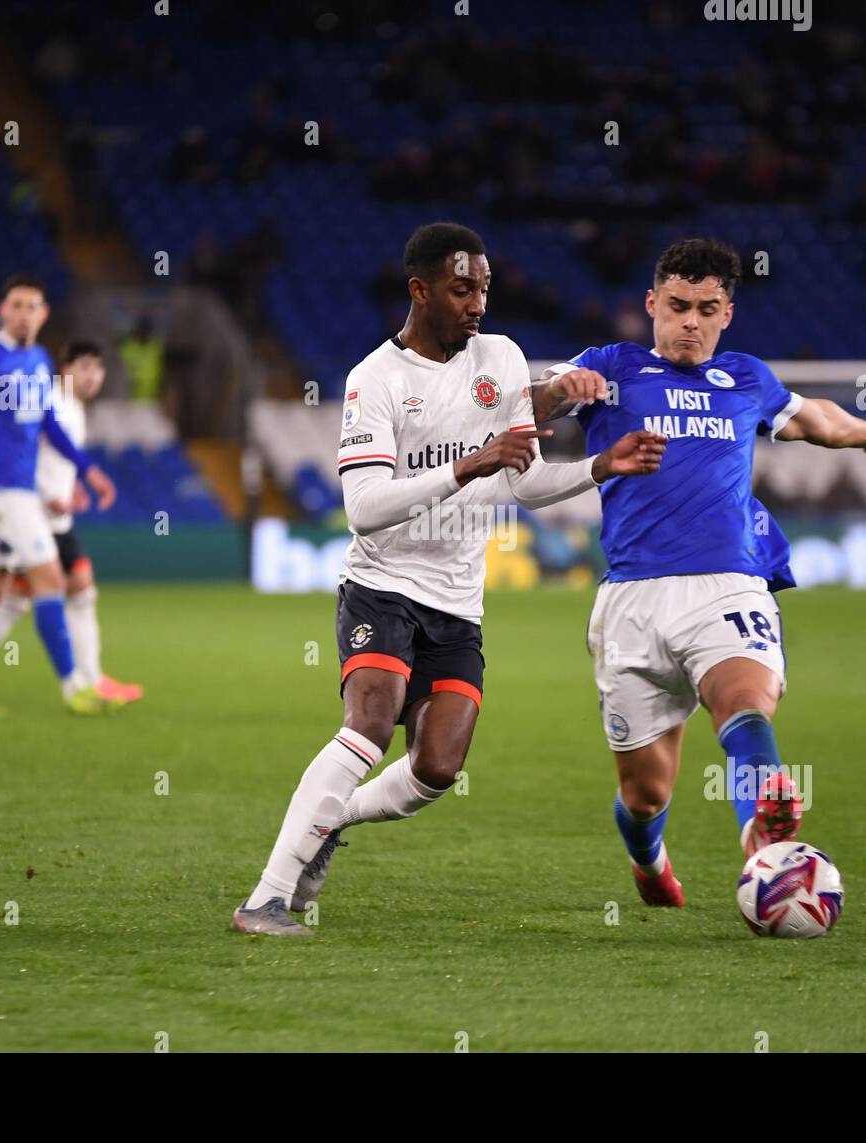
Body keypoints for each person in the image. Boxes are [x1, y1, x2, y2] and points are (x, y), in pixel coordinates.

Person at [232, 222, 666, 936]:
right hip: (383, 586)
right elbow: (364, 508)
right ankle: (267, 898)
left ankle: (327, 821)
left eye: (485, 289)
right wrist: (466, 464)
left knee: (437, 768)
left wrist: (598, 467)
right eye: (463, 289)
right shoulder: (375, 380)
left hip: (458, 603)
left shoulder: (500, 358)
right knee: (369, 724)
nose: (477, 303)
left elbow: (522, 485)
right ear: (420, 289)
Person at [532, 238, 866, 907]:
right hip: (632, 599)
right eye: (677, 306)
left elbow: (812, 417)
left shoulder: (744, 378)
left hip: (729, 583)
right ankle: (648, 858)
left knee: (744, 699)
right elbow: (532, 406)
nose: (691, 321)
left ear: (726, 314)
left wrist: (865, 430)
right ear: (651, 304)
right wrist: (564, 389)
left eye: (707, 308)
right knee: (645, 792)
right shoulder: (611, 366)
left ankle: (762, 838)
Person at [0, 275, 119, 716]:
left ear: (44, 314)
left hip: (16, 493)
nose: (24, 313)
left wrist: (87, 469)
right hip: (1, 493)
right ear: (2, 311)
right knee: (50, 579)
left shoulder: (38, 361)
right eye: (16, 305)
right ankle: (75, 686)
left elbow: (49, 428)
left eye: (32, 306)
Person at [0, 341, 144, 706]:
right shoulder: (53, 403)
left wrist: (72, 483)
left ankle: (92, 678)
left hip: (55, 519)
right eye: (84, 366)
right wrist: (48, 493)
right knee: (13, 599)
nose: (92, 375)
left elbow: (55, 456)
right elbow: (24, 452)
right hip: (29, 513)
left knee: (80, 587)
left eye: (97, 368)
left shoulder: (74, 408)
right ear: (65, 368)